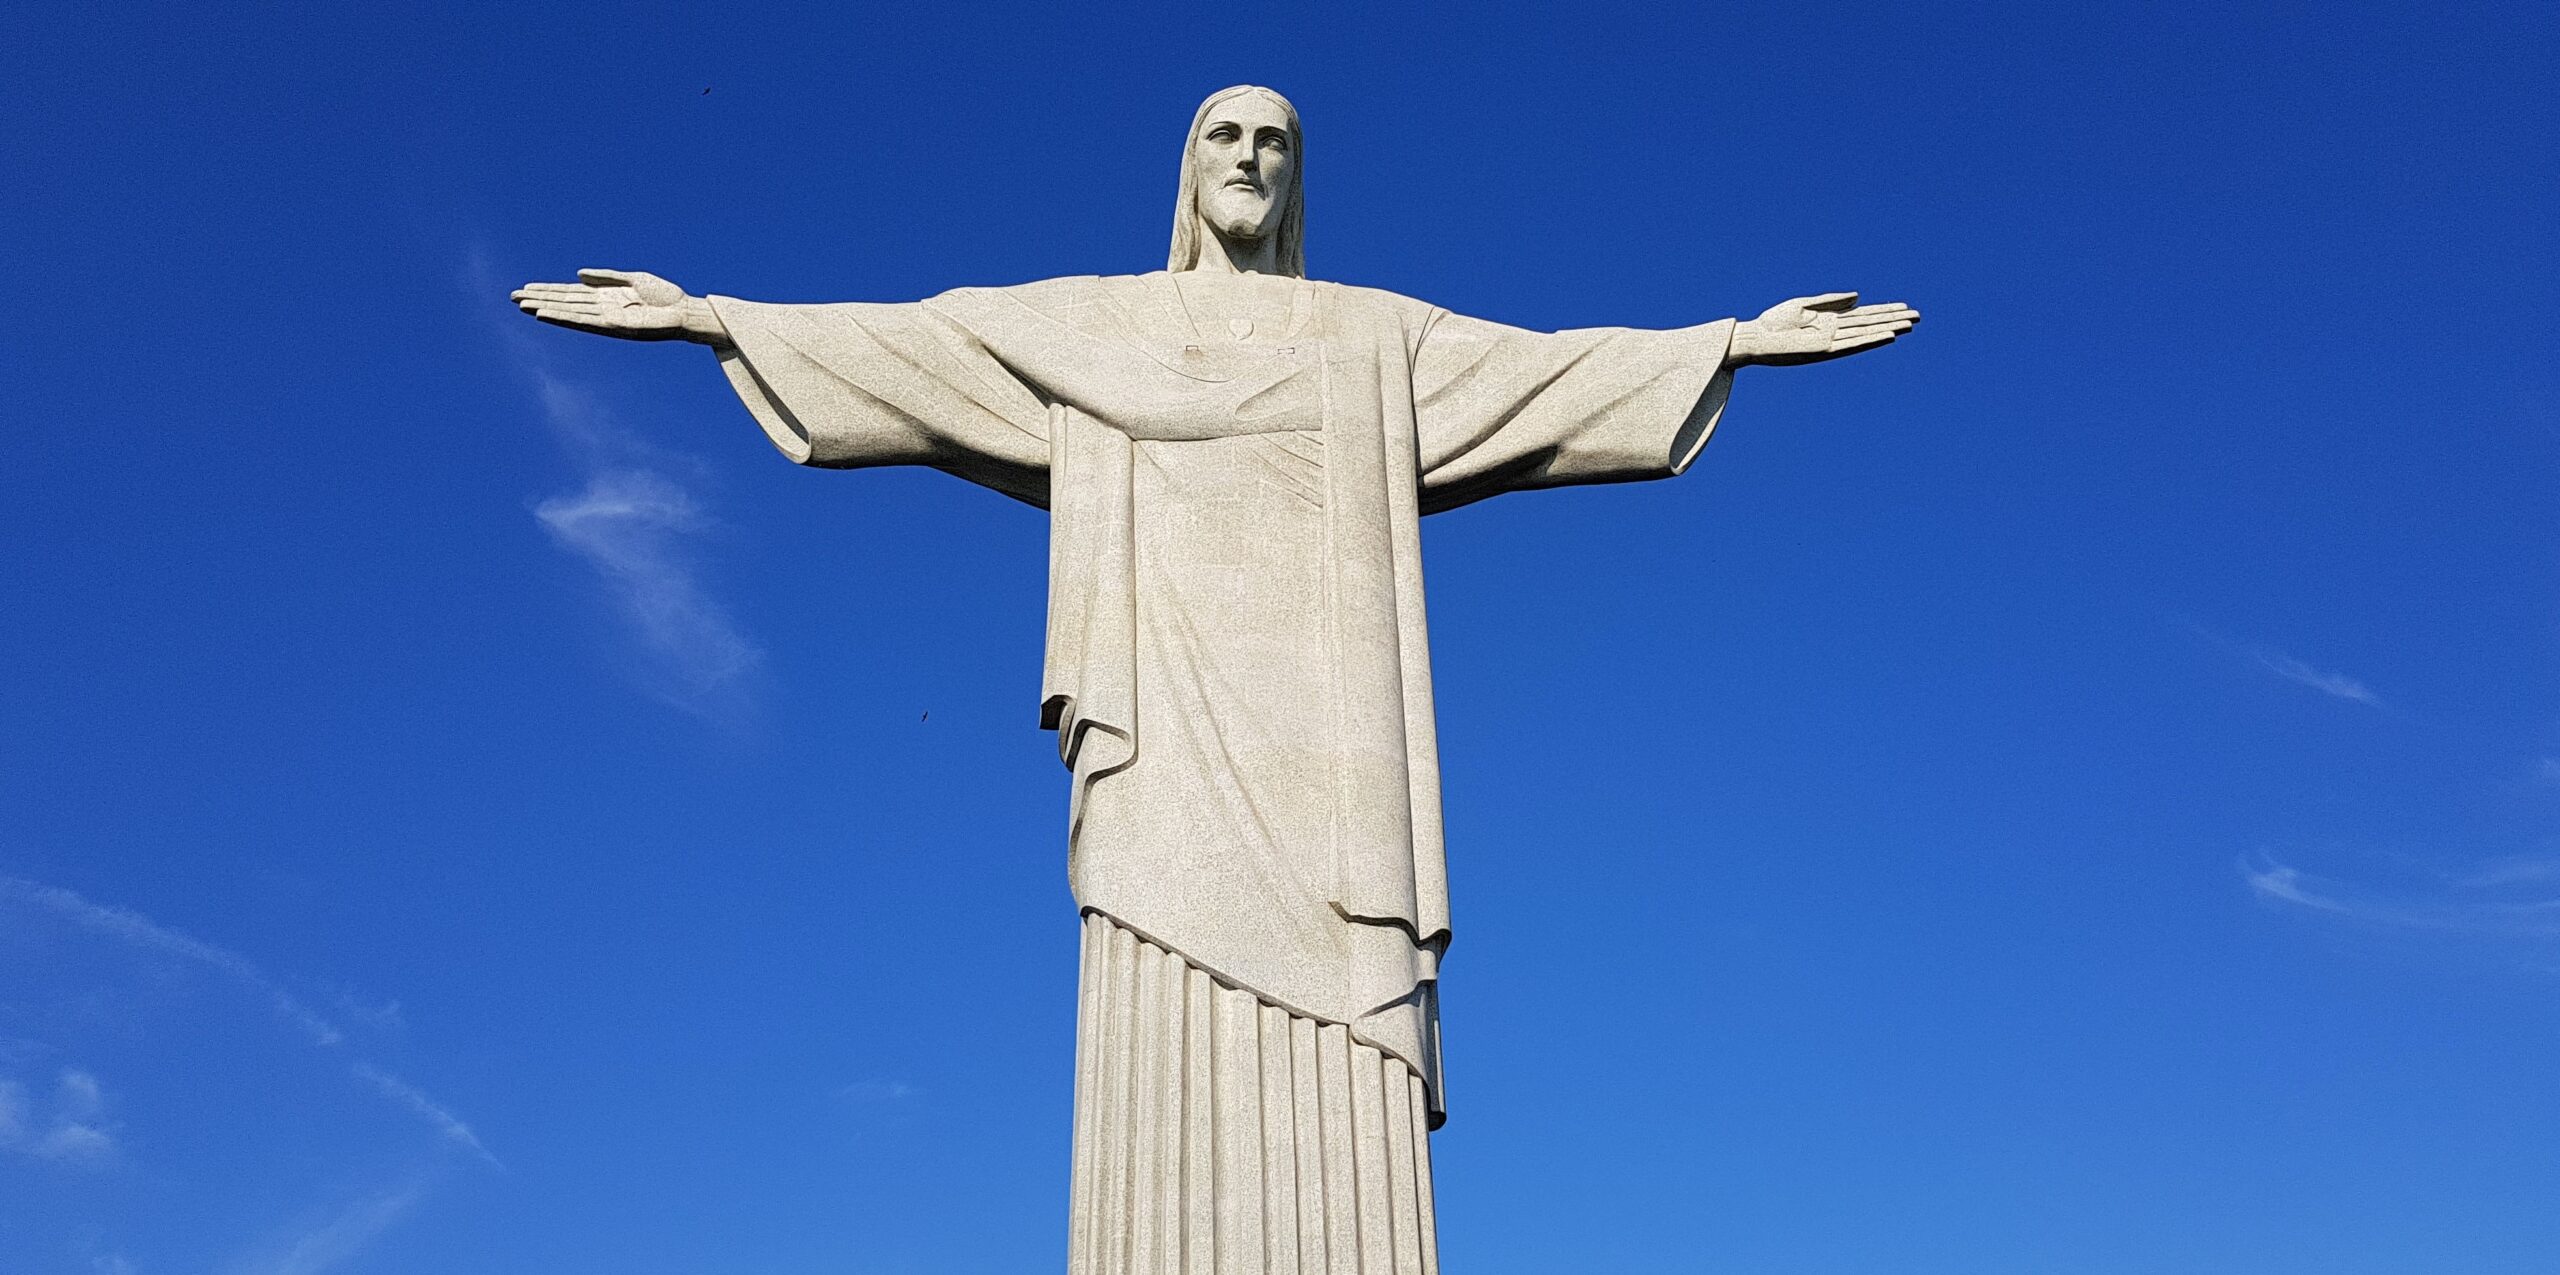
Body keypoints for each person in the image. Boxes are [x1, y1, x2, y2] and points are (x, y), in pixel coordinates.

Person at [514, 84, 1915, 1275]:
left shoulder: (1371, 338)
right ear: (1185, 171)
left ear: (1299, 178)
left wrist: (1725, 342)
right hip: (1162, 746)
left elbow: (1544, 378)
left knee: (1345, 1042)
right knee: (1156, 1027)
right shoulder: (1092, 326)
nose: (1250, 157)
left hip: (1334, 769)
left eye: (1276, 142)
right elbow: (920, 344)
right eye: (1224, 137)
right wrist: (713, 319)